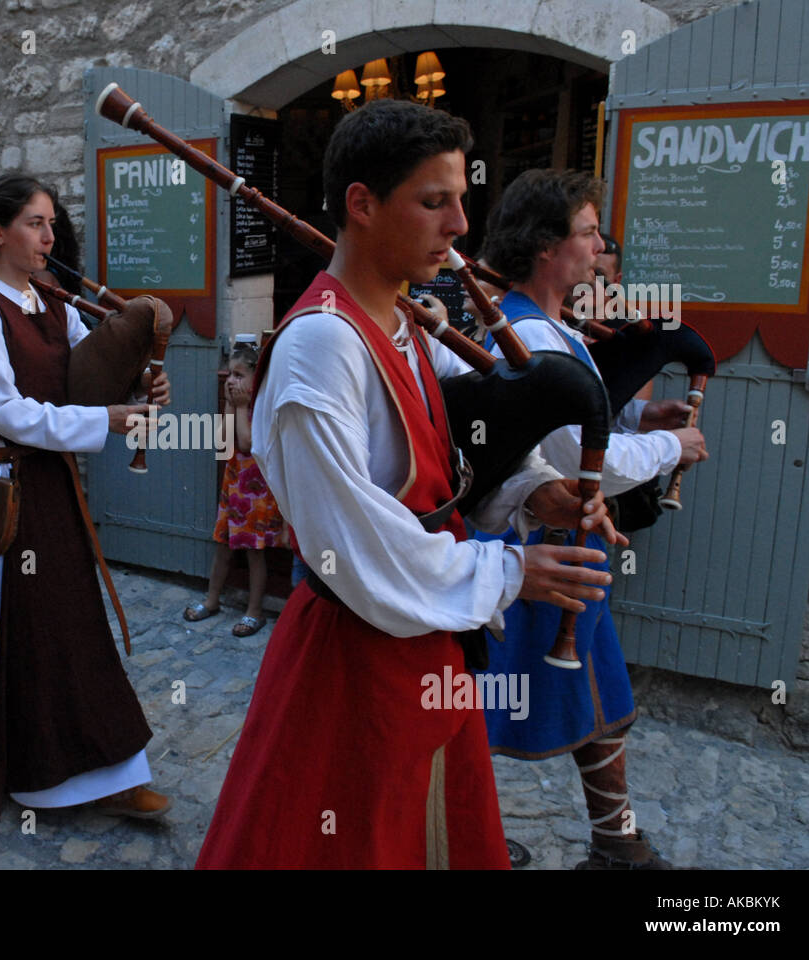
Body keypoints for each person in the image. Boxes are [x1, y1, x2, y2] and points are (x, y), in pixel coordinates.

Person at [195, 100, 623, 869]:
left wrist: (530, 495)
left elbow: (441, 458)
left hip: (423, 646)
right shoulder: (321, 346)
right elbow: (352, 546)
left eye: (461, 199)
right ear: (361, 204)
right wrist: (509, 570)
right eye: (435, 202)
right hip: (356, 661)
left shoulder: (396, 319)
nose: (462, 224)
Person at [0, 173, 172, 818]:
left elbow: (86, 377)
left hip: (52, 484)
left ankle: (110, 770)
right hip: (3, 490)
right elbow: (6, 411)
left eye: (51, 224)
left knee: (71, 624)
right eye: (34, 223)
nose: (49, 236)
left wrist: (136, 390)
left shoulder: (54, 302)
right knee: (2, 632)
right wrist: (105, 420)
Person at [475, 168, 708, 868]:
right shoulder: (527, 335)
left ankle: (616, 840)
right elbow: (580, 458)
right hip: (534, 551)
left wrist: (639, 414)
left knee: (599, 695)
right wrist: (674, 443)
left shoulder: (548, 328)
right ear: (548, 246)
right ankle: (464, 835)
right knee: (480, 703)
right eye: (587, 231)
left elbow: (575, 413)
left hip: (565, 551)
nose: (600, 244)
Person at [184, 343, 283, 637]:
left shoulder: (262, 408)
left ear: (256, 379)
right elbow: (224, 442)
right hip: (234, 489)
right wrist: (229, 404)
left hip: (257, 495)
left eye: (239, 375)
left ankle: (254, 611)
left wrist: (239, 407)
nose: (231, 380)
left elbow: (245, 443)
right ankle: (212, 599)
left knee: (254, 553)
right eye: (229, 374)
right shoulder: (236, 403)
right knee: (222, 547)